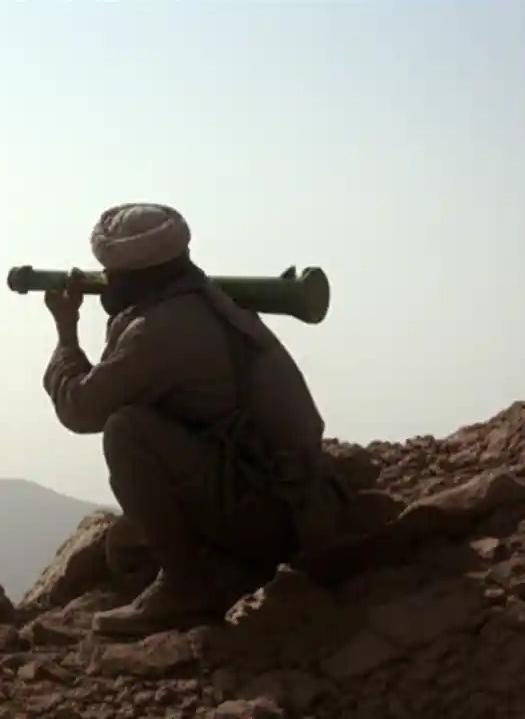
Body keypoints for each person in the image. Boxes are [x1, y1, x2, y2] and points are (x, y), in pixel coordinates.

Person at [41, 202, 347, 637]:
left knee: (127, 430)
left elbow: (80, 408)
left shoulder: (158, 329)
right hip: (297, 500)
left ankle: (186, 587)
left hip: (270, 518)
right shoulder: (210, 302)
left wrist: (66, 333)